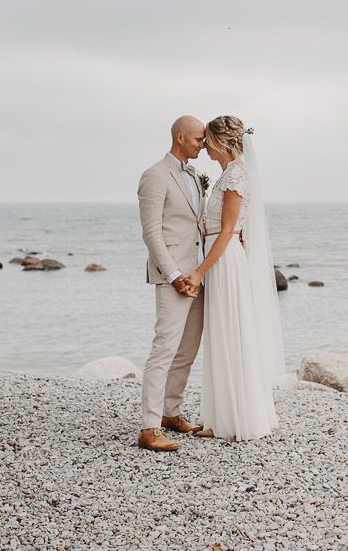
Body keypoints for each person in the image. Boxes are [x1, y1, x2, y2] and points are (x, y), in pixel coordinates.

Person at [180, 115, 284, 441]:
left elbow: (227, 231)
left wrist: (200, 271)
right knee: (220, 334)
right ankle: (220, 416)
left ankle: (237, 419)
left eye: (208, 140)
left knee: (230, 333)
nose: (205, 146)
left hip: (224, 262)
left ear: (221, 141)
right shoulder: (227, 174)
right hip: (221, 256)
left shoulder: (236, 176)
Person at [135, 115, 207, 452]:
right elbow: (152, 233)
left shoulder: (193, 175)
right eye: (198, 140)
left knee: (187, 350)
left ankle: (170, 412)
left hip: (198, 275)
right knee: (164, 349)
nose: (203, 145)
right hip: (172, 277)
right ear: (180, 137)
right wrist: (175, 275)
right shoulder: (154, 176)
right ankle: (149, 426)